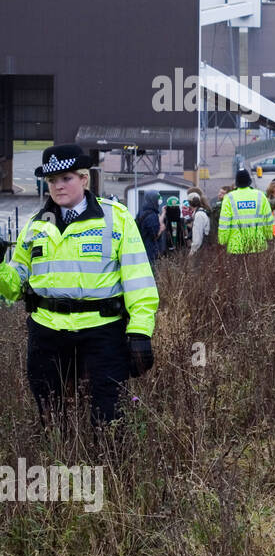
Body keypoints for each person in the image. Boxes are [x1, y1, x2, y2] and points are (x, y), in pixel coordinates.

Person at [0, 145, 157, 434]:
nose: (58, 186)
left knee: (108, 417)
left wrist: (140, 332)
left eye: (66, 178)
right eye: (51, 181)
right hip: (46, 333)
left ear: (84, 179)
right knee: (51, 415)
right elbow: (13, 289)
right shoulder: (36, 226)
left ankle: (112, 474)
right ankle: (60, 469)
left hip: (102, 333)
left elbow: (139, 281)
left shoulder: (115, 219)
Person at [218, 169, 273, 254]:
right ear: (249, 181)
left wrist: (222, 240)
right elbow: (268, 219)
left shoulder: (229, 198)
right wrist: (268, 235)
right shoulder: (260, 195)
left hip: (236, 246)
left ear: (236, 182)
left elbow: (224, 222)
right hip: (258, 244)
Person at [135, 190, 163, 262]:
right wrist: (162, 229)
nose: (158, 202)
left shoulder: (142, 211)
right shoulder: (152, 216)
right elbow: (154, 235)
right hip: (150, 250)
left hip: (141, 246)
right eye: (157, 199)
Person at [186, 190, 213, 255]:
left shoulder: (199, 215)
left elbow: (197, 239)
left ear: (190, 203)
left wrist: (192, 252)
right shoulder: (203, 211)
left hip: (201, 250)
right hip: (206, 248)